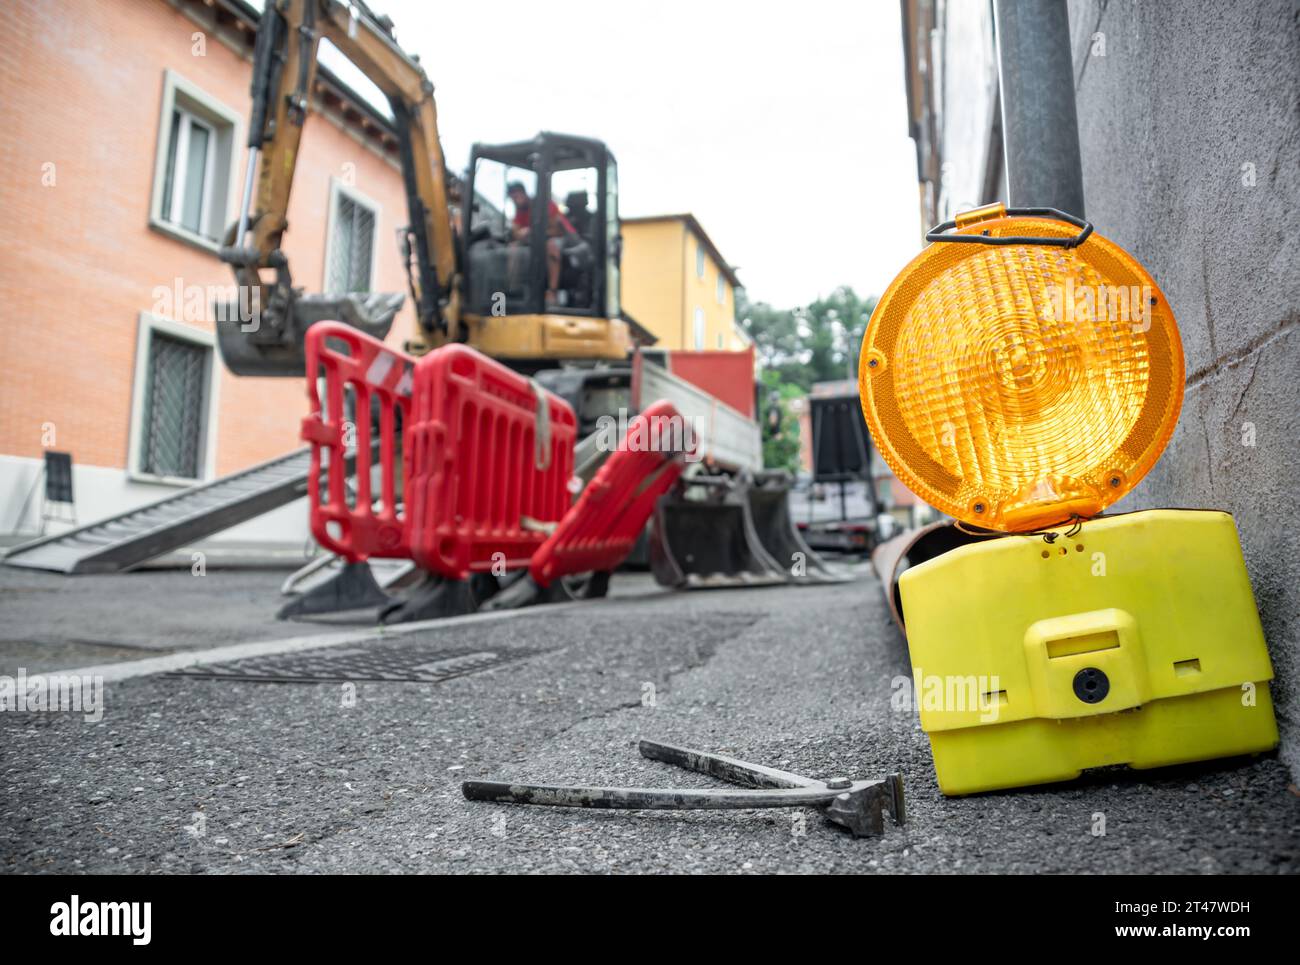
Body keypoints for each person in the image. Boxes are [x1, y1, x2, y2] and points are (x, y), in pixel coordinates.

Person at [507, 182, 575, 308]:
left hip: (564, 238)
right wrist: (521, 234)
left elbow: (558, 230)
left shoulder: (543, 204)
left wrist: (533, 231)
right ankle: (514, 290)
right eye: (512, 199)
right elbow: (516, 231)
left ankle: (552, 292)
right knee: (513, 247)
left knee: (551, 246)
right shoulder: (520, 211)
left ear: (524, 194)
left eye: (516, 197)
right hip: (539, 240)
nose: (515, 201)